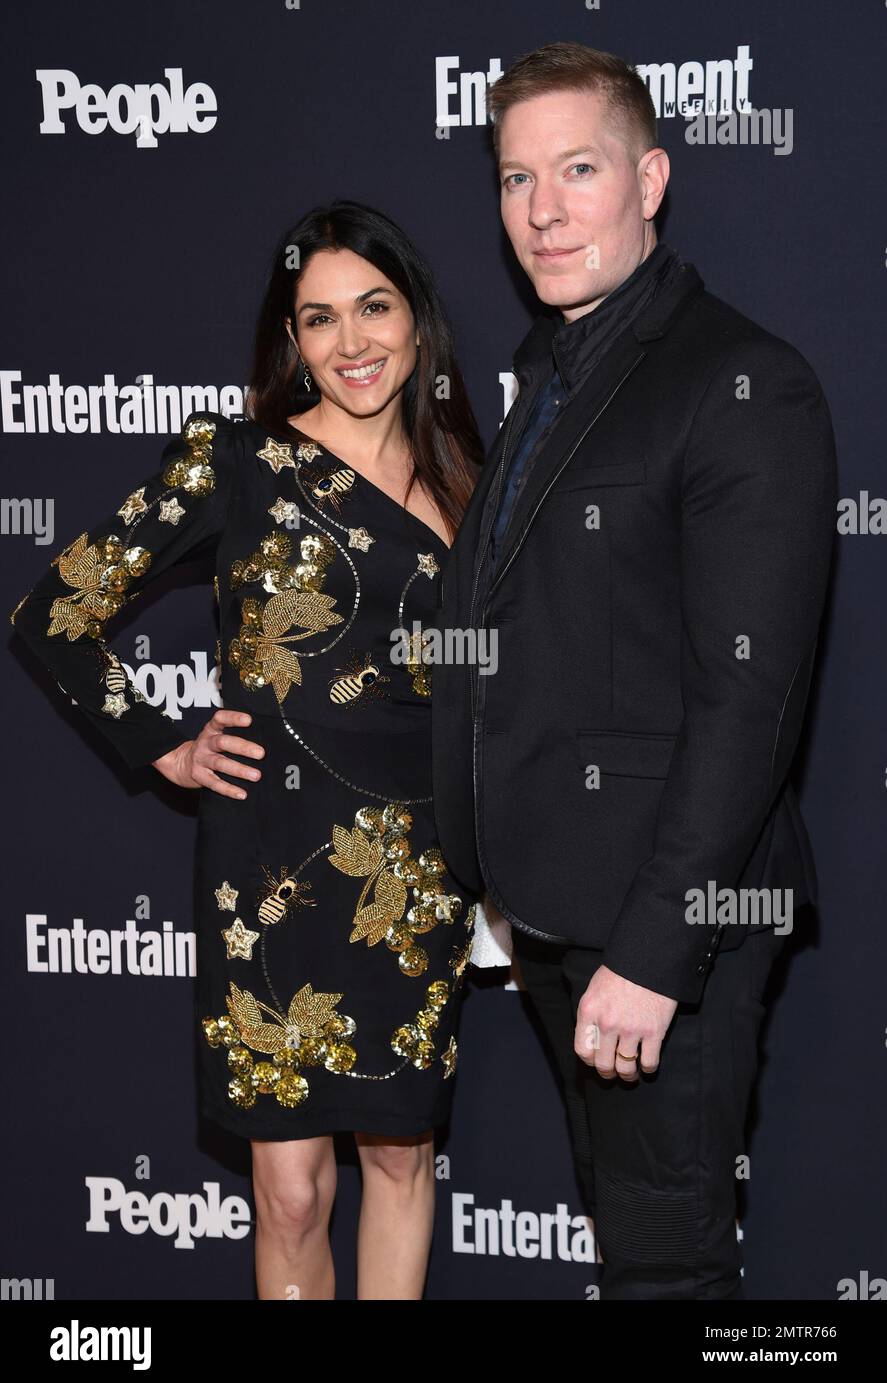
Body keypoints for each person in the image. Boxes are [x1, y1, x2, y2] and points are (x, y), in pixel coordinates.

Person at [10, 199, 484, 1299]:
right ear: (291, 340)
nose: (351, 342)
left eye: (373, 308)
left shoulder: (471, 476)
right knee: (290, 1193)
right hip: (265, 858)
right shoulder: (237, 460)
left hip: (412, 871)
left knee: (401, 1158)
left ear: (417, 320)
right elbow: (57, 609)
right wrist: (159, 744)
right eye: (318, 319)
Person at [431, 42, 837, 1299]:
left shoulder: (739, 382)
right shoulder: (552, 371)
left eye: (578, 169)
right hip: (558, 915)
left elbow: (748, 703)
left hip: (664, 932)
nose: (542, 210)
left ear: (649, 179)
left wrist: (659, 951)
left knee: (668, 1274)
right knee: (638, 1250)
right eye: (513, 178)